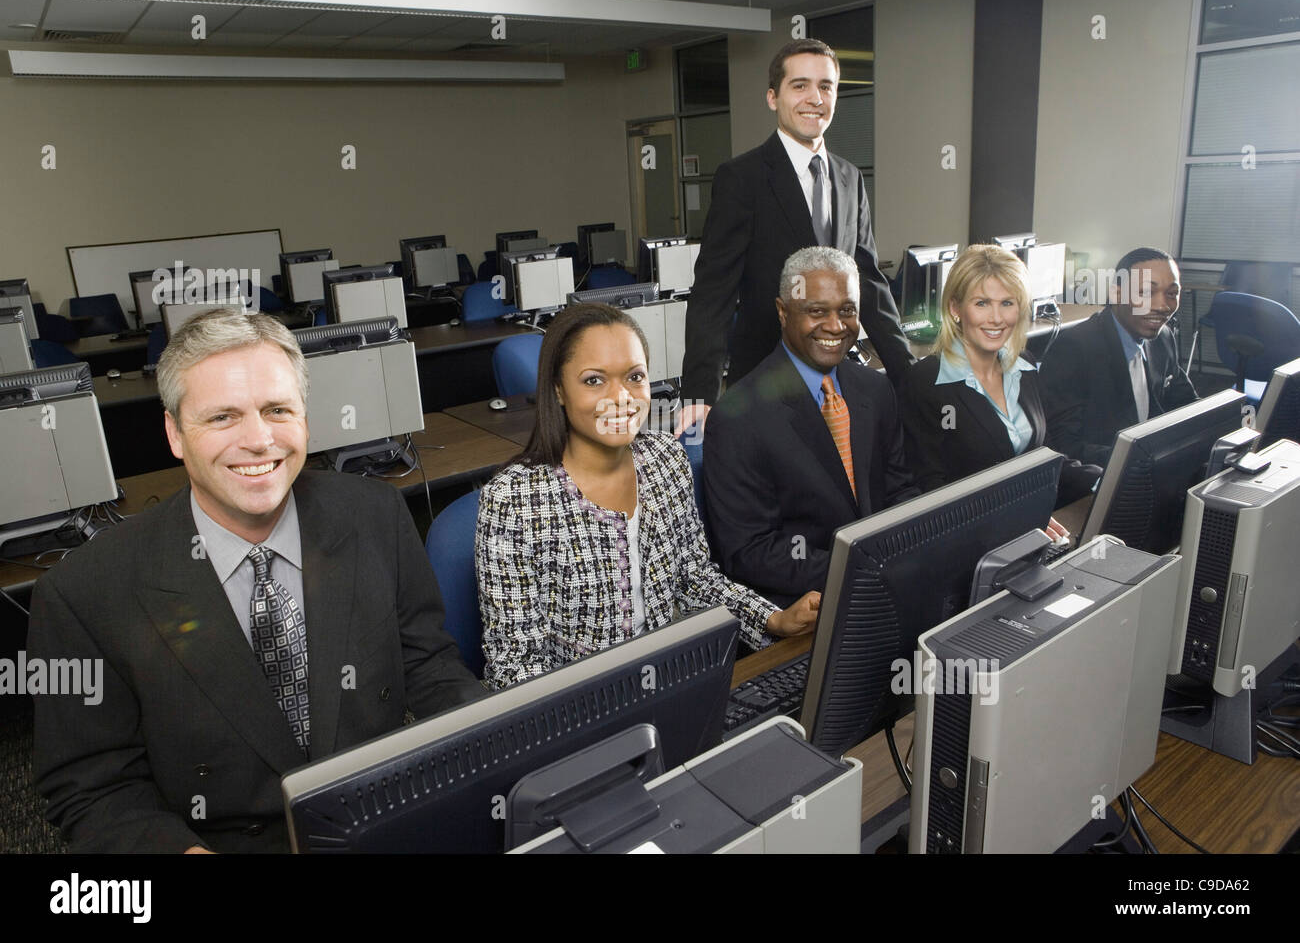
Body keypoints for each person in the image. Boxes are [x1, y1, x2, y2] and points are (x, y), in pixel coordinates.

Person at [29, 309, 484, 853]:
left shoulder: (376, 515)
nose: (259, 439)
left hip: (377, 820)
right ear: (175, 433)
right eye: (223, 417)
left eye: (277, 410)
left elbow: (427, 665)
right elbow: (92, 790)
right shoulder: (85, 592)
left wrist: (497, 746)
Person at [475, 302, 820, 689]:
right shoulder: (514, 501)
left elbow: (695, 581)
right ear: (558, 389)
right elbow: (514, 665)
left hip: (669, 685)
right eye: (594, 380)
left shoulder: (665, 459)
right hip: (578, 715)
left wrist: (774, 619)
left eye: (634, 377)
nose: (621, 396)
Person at [676, 38, 912, 436]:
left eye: (826, 86)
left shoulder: (850, 178)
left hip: (839, 373)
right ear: (773, 97)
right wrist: (700, 393)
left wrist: (907, 374)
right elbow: (713, 292)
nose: (814, 98)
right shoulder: (742, 178)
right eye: (800, 85)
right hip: (765, 381)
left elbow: (868, 280)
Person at [702, 247, 915, 606]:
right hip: (805, 607)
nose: (835, 326)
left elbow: (899, 490)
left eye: (847, 311)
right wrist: (863, 568)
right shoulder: (737, 418)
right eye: (816, 311)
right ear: (783, 313)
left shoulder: (875, 389)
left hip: (890, 585)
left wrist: (914, 547)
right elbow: (749, 549)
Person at [900, 244, 1101, 506]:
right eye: (982, 303)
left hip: (1029, 517)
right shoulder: (927, 382)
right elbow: (932, 487)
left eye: (1007, 303)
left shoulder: (1024, 365)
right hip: (972, 534)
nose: (996, 318)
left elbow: (1042, 457)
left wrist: (1099, 479)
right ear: (955, 309)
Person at [1039, 247, 1198, 468]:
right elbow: (1063, 445)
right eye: (1145, 292)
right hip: (1101, 477)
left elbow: (1186, 403)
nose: (1162, 306)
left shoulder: (1163, 338)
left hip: (1152, 469)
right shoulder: (1075, 348)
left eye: (1171, 294)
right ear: (1116, 293)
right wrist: (1142, 458)